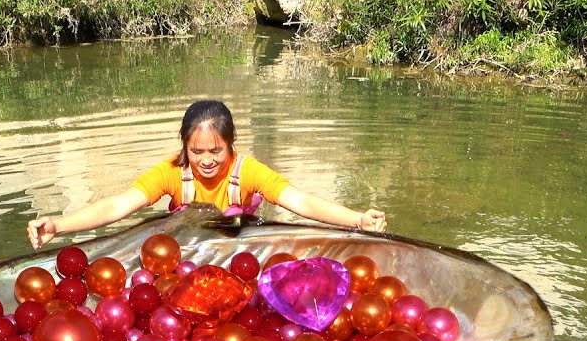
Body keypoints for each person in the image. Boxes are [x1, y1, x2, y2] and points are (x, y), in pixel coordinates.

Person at [27, 100, 387, 249]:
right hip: (186, 250)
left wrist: (356, 220)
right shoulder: (172, 172)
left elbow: (300, 201)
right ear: (184, 146)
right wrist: (59, 226)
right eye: (197, 152)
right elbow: (118, 206)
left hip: (236, 249)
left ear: (231, 145)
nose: (207, 161)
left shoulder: (248, 171)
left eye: (216, 151)